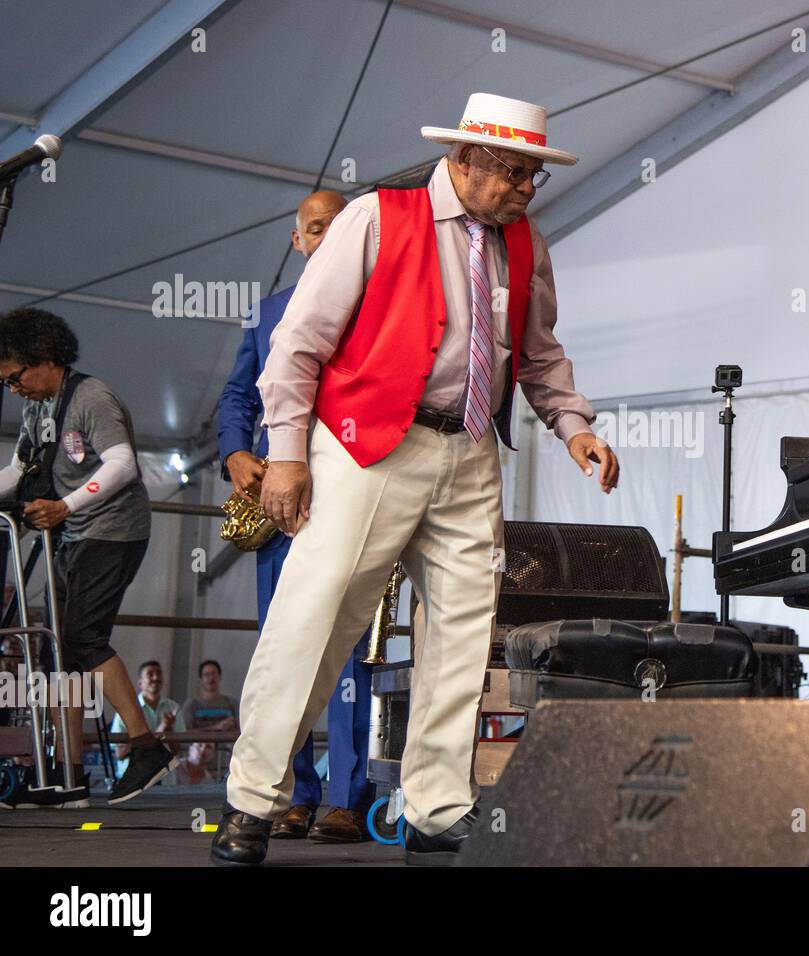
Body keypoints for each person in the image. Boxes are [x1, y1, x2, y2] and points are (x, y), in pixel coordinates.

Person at [211, 93, 618, 867]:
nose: (529, 186)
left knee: (463, 634)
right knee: (313, 617)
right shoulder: (376, 216)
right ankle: (252, 801)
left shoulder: (523, 241)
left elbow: (537, 352)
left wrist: (575, 426)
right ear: (464, 159)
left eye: (536, 173)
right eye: (515, 170)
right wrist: (290, 451)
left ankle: (436, 806)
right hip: (365, 446)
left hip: (467, 450)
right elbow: (297, 344)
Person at [216, 190, 376, 843]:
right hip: (278, 503)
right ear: (296, 239)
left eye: (335, 226)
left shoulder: (375, 309)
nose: (322, 236)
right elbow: (235, 394)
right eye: (312, 228)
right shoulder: (267, 314)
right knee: (282, 646)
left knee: (347, 650)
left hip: (350, 496)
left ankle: (349, 798)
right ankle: (294, 794)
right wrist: (233, 452)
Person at [0, 309, 173, 808]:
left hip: (113, 530)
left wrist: (65, 505)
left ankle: (146, 748)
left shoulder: (91, 398)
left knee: (82, 637)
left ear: (45, 359)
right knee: (60, 650)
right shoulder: (39, 408)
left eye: (16, 378)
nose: (13, 389)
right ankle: (68, 776)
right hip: (72, 532)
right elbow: (19, 468)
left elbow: (122, 463)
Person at [110, 660, 184, 778]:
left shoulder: (173, 707)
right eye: (150, 674)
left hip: (165, 780)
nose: (156, 677)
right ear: (140, 683)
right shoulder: (126, 709)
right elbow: (120, 753)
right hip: (134, 780)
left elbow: (177, 750)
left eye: (159, 673)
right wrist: (161, 729)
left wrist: (168, 728)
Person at [180, 660, 238, 733]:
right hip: (199, 744)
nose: (211, 678)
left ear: (219, 677)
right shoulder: (191, 705)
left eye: (214, 674)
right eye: (206, 674)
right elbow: (185, 733)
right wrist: (217, 727)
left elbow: (242, 731)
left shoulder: (232, 703)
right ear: (201, 679)